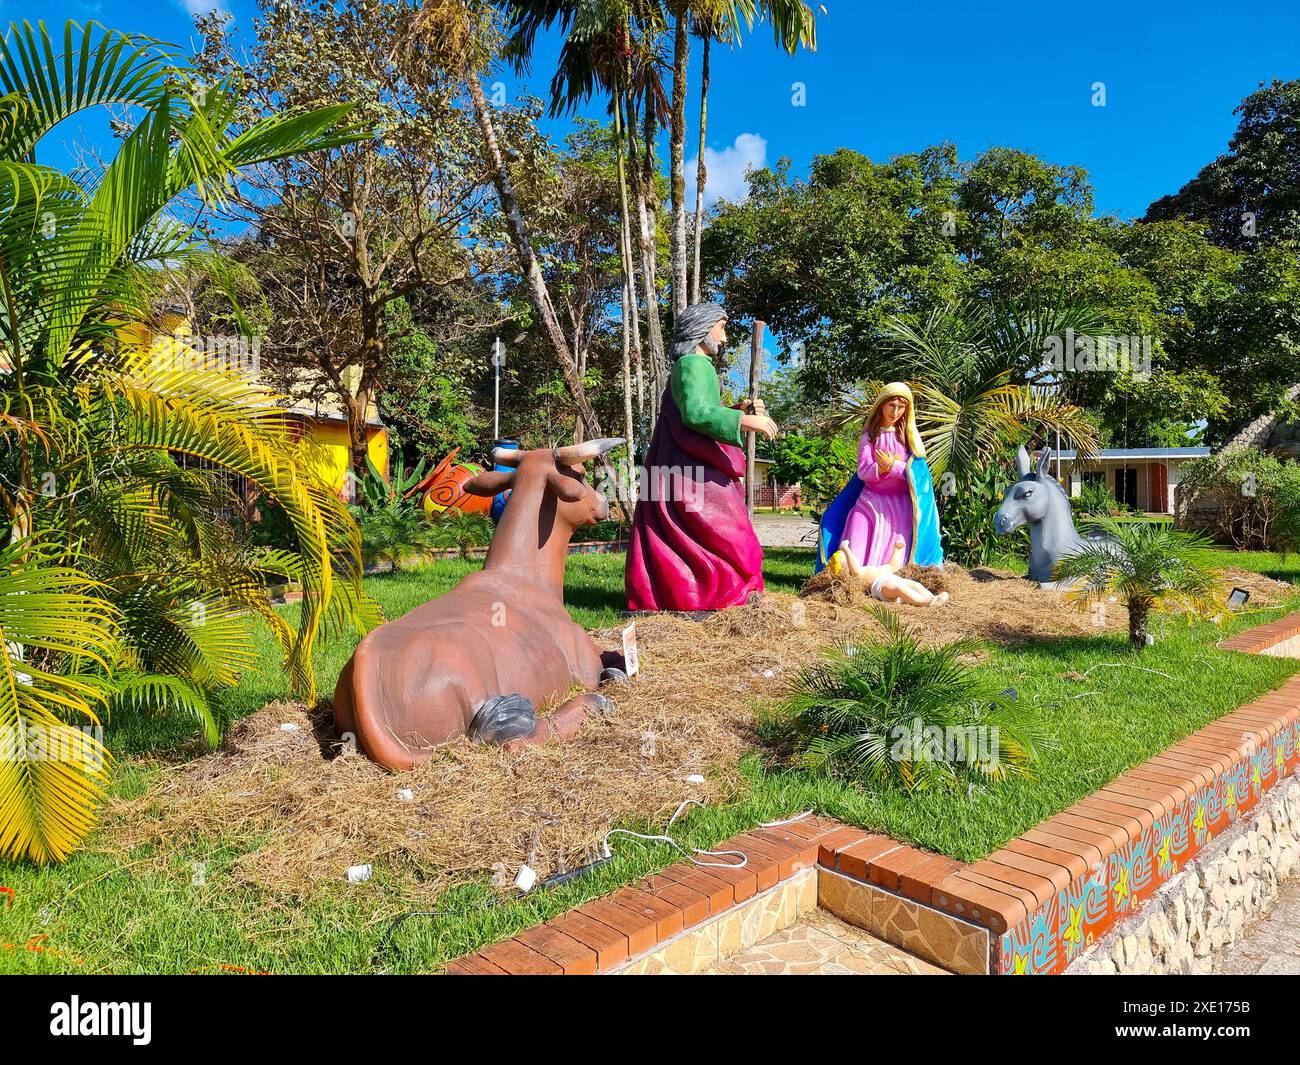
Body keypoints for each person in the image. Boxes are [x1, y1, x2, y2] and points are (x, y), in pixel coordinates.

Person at [626, 303, 777, 612]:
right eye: (721, 328)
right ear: (702, 329)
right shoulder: (692, 364)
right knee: (729, 531)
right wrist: (745, 422)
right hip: (689, 468)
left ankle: (707, 592)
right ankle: (720, 593)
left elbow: (701, 413)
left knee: (710, 532)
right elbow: (696, 414)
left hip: (687, 463)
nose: (724, 338)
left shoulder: (696, 365)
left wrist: (739, 411)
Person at [816, 381, 943, 574]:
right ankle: (850, 579)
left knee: (895, 556)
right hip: (870, 501)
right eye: (892, 406)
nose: (895, 412)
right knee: (855, 542)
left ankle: (885, 583)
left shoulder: (909, 439)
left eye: (901, 407)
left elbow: (919, 475)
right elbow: (863, 471)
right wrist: (881, 469)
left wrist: (892, 466)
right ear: (882, 404)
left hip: (900, 506)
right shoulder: (870, 437)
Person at [828, 535, 949, 607]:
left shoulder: (873, 569)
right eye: (846, 559)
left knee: (914, 585)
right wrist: (846, 549)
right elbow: (856, 571)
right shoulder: (860, 574)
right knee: (898, 588)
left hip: (893, 579)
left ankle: (933, 598)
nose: (851, 559)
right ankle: (927, 602)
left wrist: (897, 550)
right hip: (880, 585)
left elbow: (892, 567)